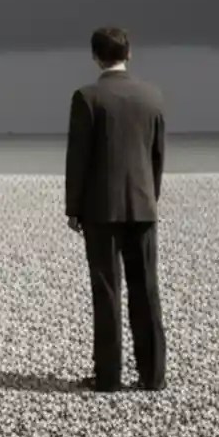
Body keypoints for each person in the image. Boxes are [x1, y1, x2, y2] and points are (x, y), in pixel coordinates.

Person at [65, 26, 167, 393]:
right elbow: (157, 156)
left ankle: (108, 376)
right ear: (129, 53)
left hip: (100, 209)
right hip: (142, 204)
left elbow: (78, 159)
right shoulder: (151, 96)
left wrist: (72, 207)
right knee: (146, 289)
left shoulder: (87, 97)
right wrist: (150, 196)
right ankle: (153, 374)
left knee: (106, 290)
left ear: (95, 56)